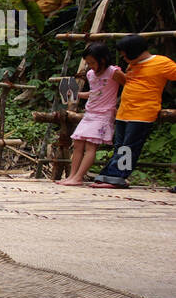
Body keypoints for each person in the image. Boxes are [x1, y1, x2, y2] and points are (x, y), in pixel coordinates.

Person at [90, 36, 176, 189]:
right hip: (124, 111)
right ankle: (110, 175)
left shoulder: (162, 63)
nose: (123, 57)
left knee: (129, 147)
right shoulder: (132, 65)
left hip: (143, 112)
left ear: (133, 52)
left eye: (124, 54)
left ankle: (116, 178)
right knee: (120, 146)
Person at [57, 42, 122, 187]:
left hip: (104, 114)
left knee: (91, 147)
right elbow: (94, 94)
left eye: (92, 62)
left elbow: (130, 85)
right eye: (88, 63)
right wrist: (77, 94)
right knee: (78, 144)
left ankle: (78, 177)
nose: (90, 65)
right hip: (90, 113)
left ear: (103, 59)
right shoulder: (90, 74)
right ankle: (72, 176)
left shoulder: (113, 72)